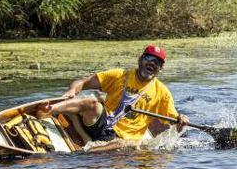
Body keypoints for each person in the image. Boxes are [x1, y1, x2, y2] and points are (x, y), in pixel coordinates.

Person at [37, 44, 188, 144]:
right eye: (149, 58)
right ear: (140, 59)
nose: (152, 63)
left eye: (157, 62)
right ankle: (47, 110)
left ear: (160, 69)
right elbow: (82, 83)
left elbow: (175, 122)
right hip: (103, 124)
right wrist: (71, 91)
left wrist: (181, 120)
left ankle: (92, 151)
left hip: (125, 140)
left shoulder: (162, 93)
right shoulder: (119, 75)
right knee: (91, 102)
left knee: (122, 145)